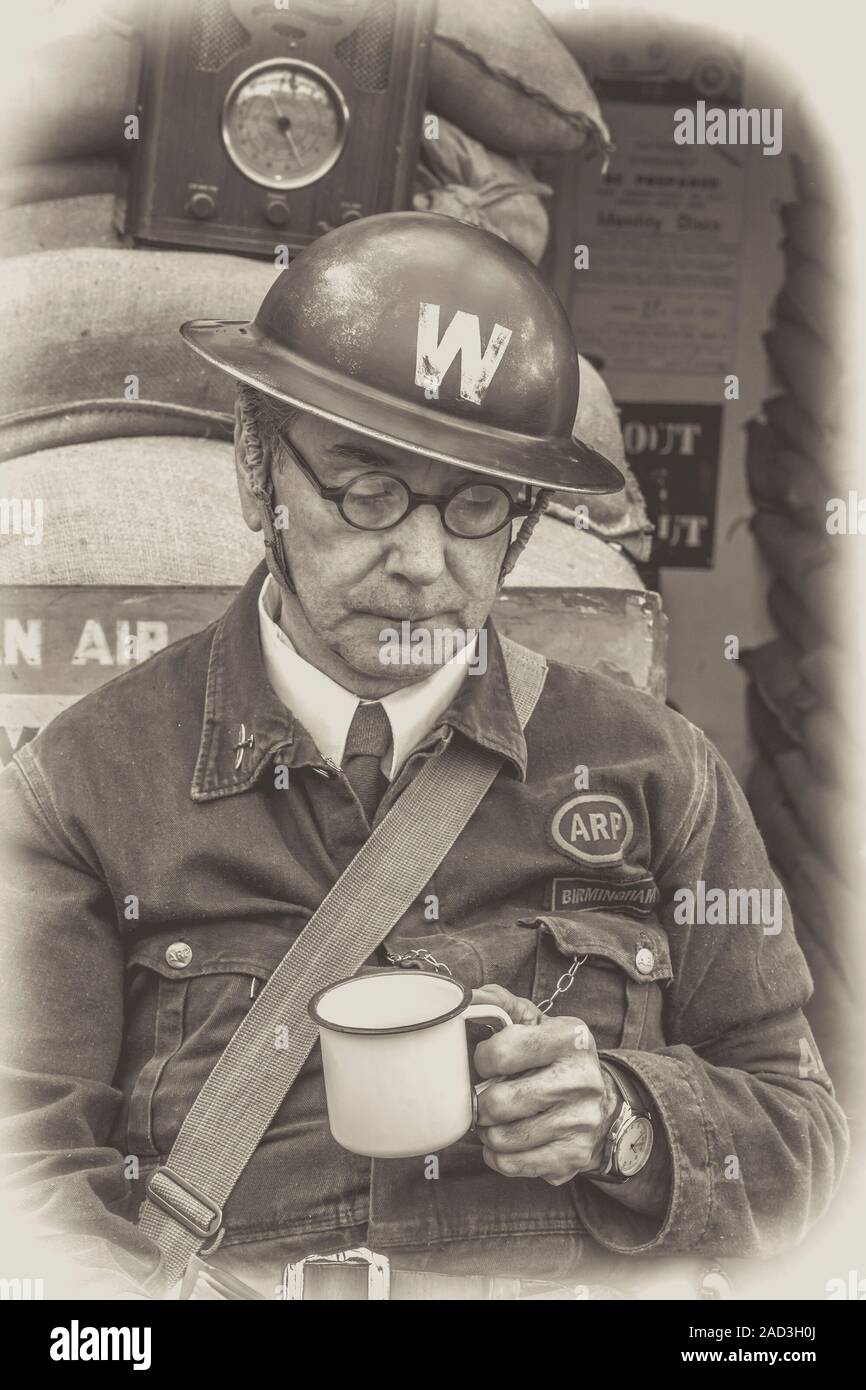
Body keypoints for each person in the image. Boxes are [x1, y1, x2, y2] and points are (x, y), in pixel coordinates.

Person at [0, 213, 847, 1301]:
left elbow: (807, 1141)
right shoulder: (84, 785)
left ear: (526, 525)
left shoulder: (657, 772)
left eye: (474, 505)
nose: (417, 560)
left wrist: (630, 1123)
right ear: (259, 471)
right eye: (365, 488)